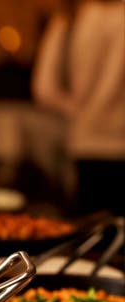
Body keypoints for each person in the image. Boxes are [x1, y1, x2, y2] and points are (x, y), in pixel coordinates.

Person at [31, 0, 125, 214]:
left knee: (89, 234)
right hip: (118, 144)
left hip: (83, 144)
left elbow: (43, 89)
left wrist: (78, 112)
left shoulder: (69, 18)